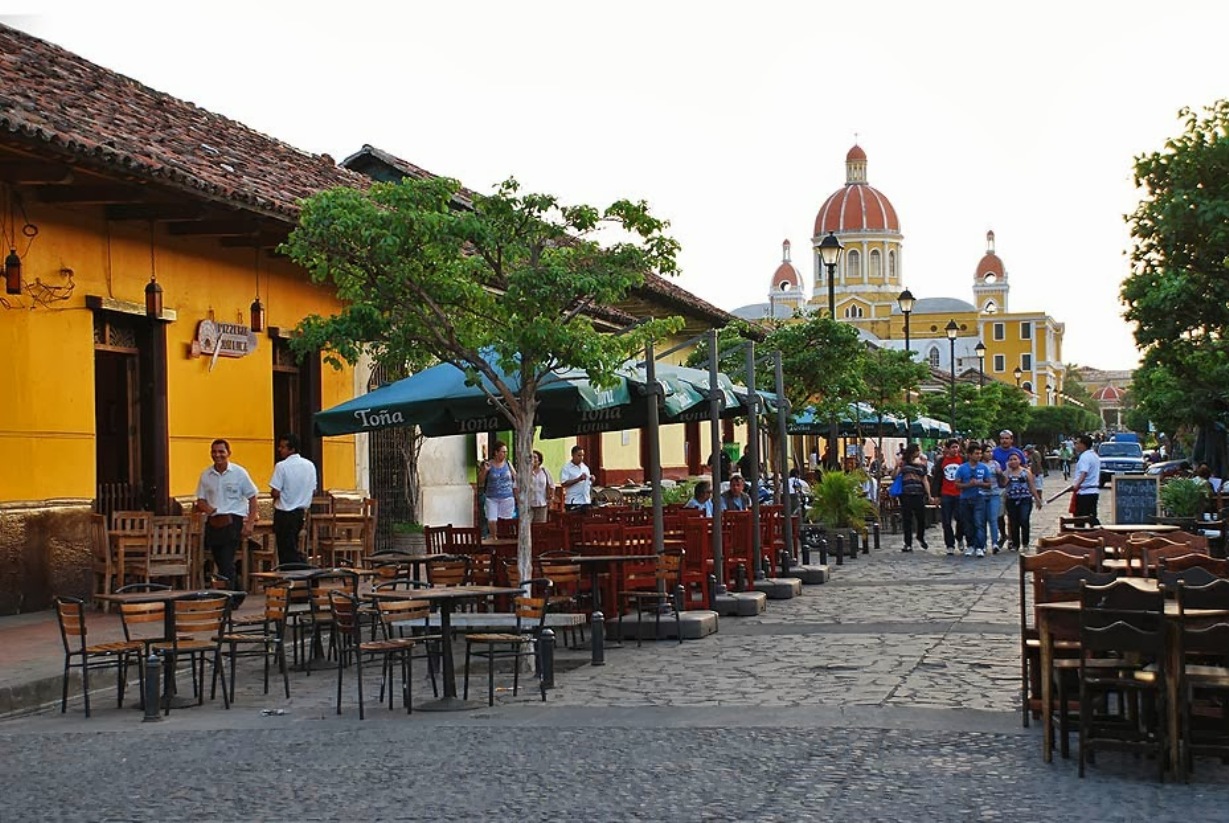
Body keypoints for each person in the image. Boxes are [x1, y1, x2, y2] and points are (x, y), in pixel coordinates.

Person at [195, 438, 258, 590]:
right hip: (214, 521)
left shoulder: (239, 473)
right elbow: (200, 500)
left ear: (228, 453)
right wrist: (210, 510)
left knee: (226, 559)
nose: (218, 455)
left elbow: (253, 497)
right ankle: (234, 591)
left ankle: (234, 595)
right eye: (214, 452)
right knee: (218, 559)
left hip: (233, 520)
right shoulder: (206, 475)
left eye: (221, 451)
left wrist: (250, 522)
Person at [268, 433, 317, 565]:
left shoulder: (281, 466)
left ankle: (301, 570)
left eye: (283, 447)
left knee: (285, 551)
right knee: (292, 546)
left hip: (284, 513)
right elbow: (313, 489)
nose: (279, 449)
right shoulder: (310, 465)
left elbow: (275, 491)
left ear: (292, 449)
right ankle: (300, 569)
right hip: (300, 513)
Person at [954, 442, 993, 557]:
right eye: (976, 453)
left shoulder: (984, 468)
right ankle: (970, 545)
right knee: (967, 523)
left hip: (979, 498)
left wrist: (979, 483)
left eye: (980, 453)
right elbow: (957, 484)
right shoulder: (962, 468)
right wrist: (968, 485)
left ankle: (980, 546)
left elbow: (989, 484)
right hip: (965, 498)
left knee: (979, 522)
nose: (979, 456)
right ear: (970, 455)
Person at [991, 430, 1027, 552]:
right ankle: (1003, 534)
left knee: (1013, 515)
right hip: (998, 487)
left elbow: (1025, 469)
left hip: (1014, 488)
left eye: (1007, 438)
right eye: (1002, 438)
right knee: (999, 514)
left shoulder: (1017, 453)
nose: (1004, 441)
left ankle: (1012, 537)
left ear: (1012, 439)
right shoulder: (995, 452)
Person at [894, 443, 931, 552]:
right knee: (907, 519)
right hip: (906, 494)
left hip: (919, 493)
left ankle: (920, 536)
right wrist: (897, 466)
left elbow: (925, 480)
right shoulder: (904, 463)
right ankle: (908, 543)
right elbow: (894, 476)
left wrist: (929, 495)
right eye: (918, 450)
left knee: (921, 518)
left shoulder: (922, 465)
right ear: (913, 451)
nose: (919, 452)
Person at [931, 439, 965, 556]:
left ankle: (959, 537)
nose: (955, 450)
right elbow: (937, 478)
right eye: (953, 447)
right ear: (947, 449)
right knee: (946, 521)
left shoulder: (963, 460)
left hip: (960, 493)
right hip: (946, 493)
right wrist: (936, 495)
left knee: (961, 518)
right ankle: (949, 544)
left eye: (957, 447)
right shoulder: (942, 461)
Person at [1003, 451, 1042, 551]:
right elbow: (1003, 484)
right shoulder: (1007, 473)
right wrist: (1007, 471)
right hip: (1011, 499)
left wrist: (1037, 499)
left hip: (1025, 498)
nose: (1013, 461)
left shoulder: (1026, 472)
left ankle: (1025, 543)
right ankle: (1015, 543)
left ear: (1020, 460)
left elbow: (1032, 486)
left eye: (1015, 459)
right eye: (1011, 459)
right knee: (1013, 522)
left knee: (1024, 520)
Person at [478, 440, 516, 536]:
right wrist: (484, 471)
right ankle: (494, 538)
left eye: (506, 452)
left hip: (507, 497)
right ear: (496, 452)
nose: (505, 454)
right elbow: (481, 482)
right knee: (492, 520)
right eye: (503, 452)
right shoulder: (489, 464)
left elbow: (516, 477)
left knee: (506, 521)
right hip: (492, 497)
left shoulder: (508, 463)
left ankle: (505, 538)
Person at [1071, 434, 1102, 525]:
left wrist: (1076, 485)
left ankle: (1081, 538)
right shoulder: (1094, 456)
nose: (1075, 445)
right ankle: (1097, 534)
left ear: (1083, 444)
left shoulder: (1085, 457)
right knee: (1091, 517)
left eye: (1077, 443)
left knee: (1080, 519)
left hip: (1085, 492)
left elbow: (1084, 473)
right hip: (1093, 491)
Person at [980, 444, 1005, 554]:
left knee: (993, 519)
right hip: (981, 494)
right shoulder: (979, 465)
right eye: (987, 452)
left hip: (994, 494)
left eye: (991, 452)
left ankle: (994, 542)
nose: (990, 454)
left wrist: (1000, 474)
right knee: (982, 520)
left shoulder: (995, 464)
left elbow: (1002, 479)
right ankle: (983, 544)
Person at [560, 445, 593, 512]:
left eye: (582, 455)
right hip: (573, 501)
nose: (581, 458)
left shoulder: (585, 468)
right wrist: (578, 479)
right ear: (572, 455)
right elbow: (564, 484)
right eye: (579, 455)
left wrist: (592, 480)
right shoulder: (566, 468)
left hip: (586, 501)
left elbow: (587, 484)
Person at [528, 450, 554, 523]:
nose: (533, 459)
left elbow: (552, 485)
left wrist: (551, 498)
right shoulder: (526, 472)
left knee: (540, 525)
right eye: (532, 457)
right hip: (528, 504)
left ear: (539, 460)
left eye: (535, 457)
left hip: (542, 503)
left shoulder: (545, 471)